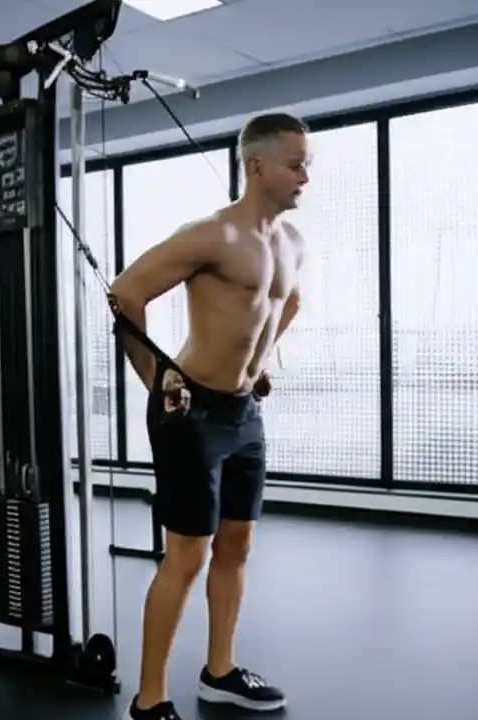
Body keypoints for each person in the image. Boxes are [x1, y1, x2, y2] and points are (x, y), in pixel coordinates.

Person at [109, 112, 311, 720]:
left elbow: (288, 302)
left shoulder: (292, 242)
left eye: (307, 165)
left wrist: (262, 359)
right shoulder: (213, 236)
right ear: (257, 166)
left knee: (237, 545)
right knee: (187, 557)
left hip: (244, 413)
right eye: (295, 165)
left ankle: (220, 671)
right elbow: (126, 291)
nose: (305, 177)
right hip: (191, 413)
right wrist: (156, 376)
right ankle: (149, 701)